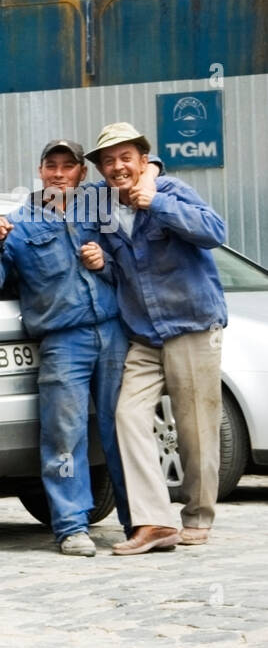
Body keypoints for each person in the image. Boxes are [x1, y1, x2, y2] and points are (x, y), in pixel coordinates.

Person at [0, 139, 138, 556]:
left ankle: (139, 520)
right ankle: (71, 526)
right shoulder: (17, 223)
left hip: (113, 332)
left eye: (69, 166)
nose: (60, 173)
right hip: (63, 340)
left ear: (82, 173)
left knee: (125, 429)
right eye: (52, 166)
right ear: (41, 171)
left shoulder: (100, 214)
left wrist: (107, 262)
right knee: (64, 433)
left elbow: (132, 267)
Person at [82, 122, 228, 555]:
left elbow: (214, 232)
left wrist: (159, 203)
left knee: (195, 428)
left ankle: (198, 517)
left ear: (143, 160)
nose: (116, 166)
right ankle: (155, 522)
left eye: (125, 157)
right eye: (108, 161)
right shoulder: (104, 210)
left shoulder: (172, 190)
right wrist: (99, 261)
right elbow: (123, 273)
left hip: (191, 324)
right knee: (128, 415)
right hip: (144, 333)